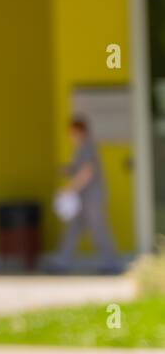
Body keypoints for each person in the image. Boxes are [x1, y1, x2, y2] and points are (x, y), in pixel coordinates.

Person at [55, 115, 122, 274]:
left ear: (80, 131)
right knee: (73, 229)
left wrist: (69, 188)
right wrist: (68, 170)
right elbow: (79, 168)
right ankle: (62, 262)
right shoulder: (80, 148)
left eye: (72, 132)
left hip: (93, 198)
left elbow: (87, 172)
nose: (70, 136)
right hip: (82, 197)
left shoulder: (88, 146)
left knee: (99, 229)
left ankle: (112, 264)